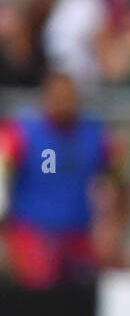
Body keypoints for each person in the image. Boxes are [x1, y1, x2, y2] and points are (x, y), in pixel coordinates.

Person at [0, 70, 118, 287]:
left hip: (78, 234)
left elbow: (114, 182)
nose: (63, 103)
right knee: (41, 296)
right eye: (57, 97)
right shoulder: (22, 132)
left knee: (85, 295)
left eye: (68, 97)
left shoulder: (95, 135)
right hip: (33, 234)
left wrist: (111, 225)